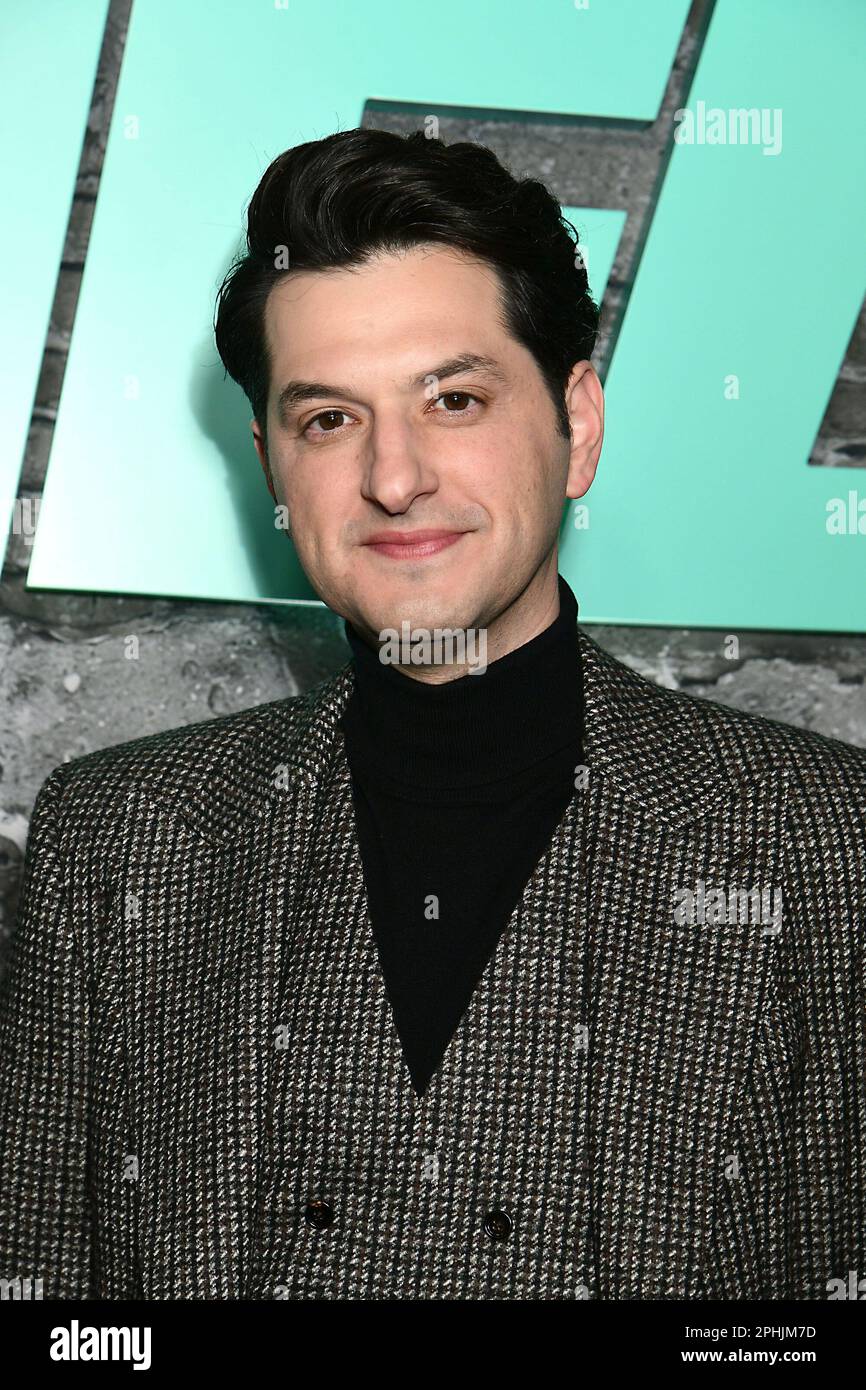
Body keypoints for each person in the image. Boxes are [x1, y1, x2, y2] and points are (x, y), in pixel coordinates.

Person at [0, 127, 863, 1301]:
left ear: (579, 427)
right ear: (271, 468)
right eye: (328, 419)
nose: (394, 478)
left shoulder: (823, 837)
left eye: (452, 398)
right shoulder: (113, 838)